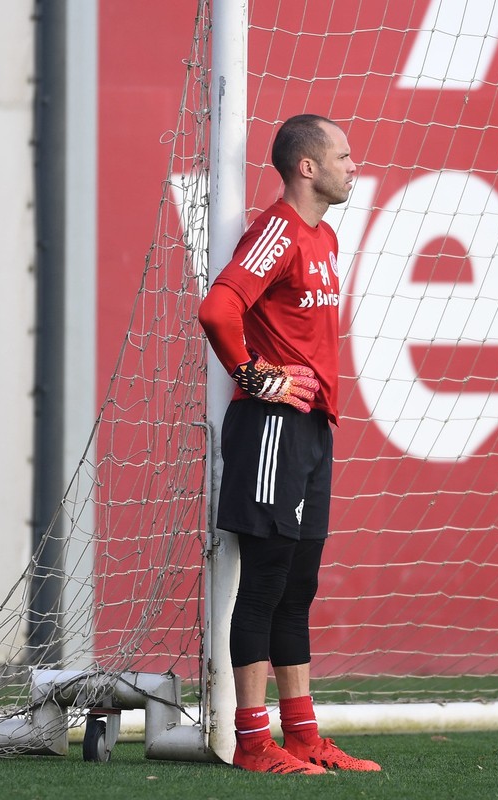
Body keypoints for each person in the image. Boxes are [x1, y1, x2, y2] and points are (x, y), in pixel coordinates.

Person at [197, 114, 380, 775]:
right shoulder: (278, 230)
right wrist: (253, 376)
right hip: (271, 429)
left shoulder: (324, 235)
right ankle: (252, 743)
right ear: (308, 167)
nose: (353, 165)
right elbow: (218, 309)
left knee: (299, 584)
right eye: (343, 155)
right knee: (266, 582)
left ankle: (301, 734)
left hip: (311, 428)